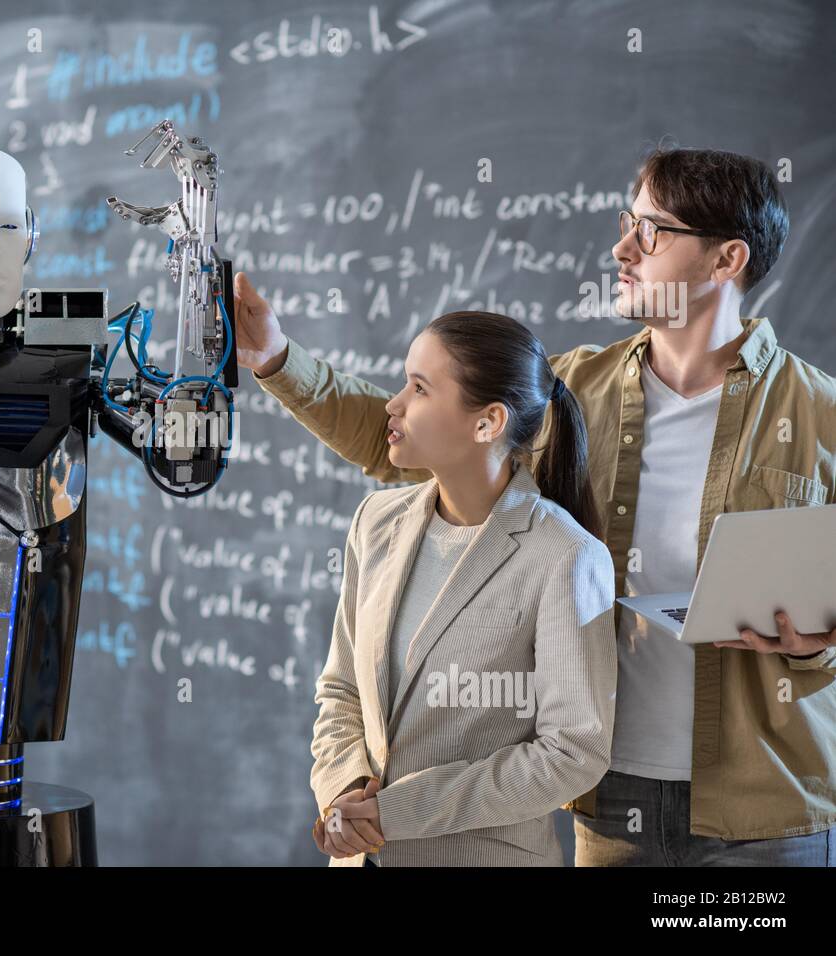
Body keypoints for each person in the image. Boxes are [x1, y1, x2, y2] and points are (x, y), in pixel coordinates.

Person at [243, 146, 836, 866]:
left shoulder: (818, 413)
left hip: (769, 813)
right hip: (611, 800)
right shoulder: (573, 387)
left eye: (652, 231)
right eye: (628, 222)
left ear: (725, 260)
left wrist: (824, 640)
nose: (622, 248)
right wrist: (278, 361)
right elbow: (409, 439)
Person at [307, 311, 616, 866]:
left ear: (488, 421)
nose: (393, 404)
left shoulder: (566, 557)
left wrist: (397, 811)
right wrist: (344, 789)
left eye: (420, 389)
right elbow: (341, 692)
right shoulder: (375, 522)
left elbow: (573, 752)